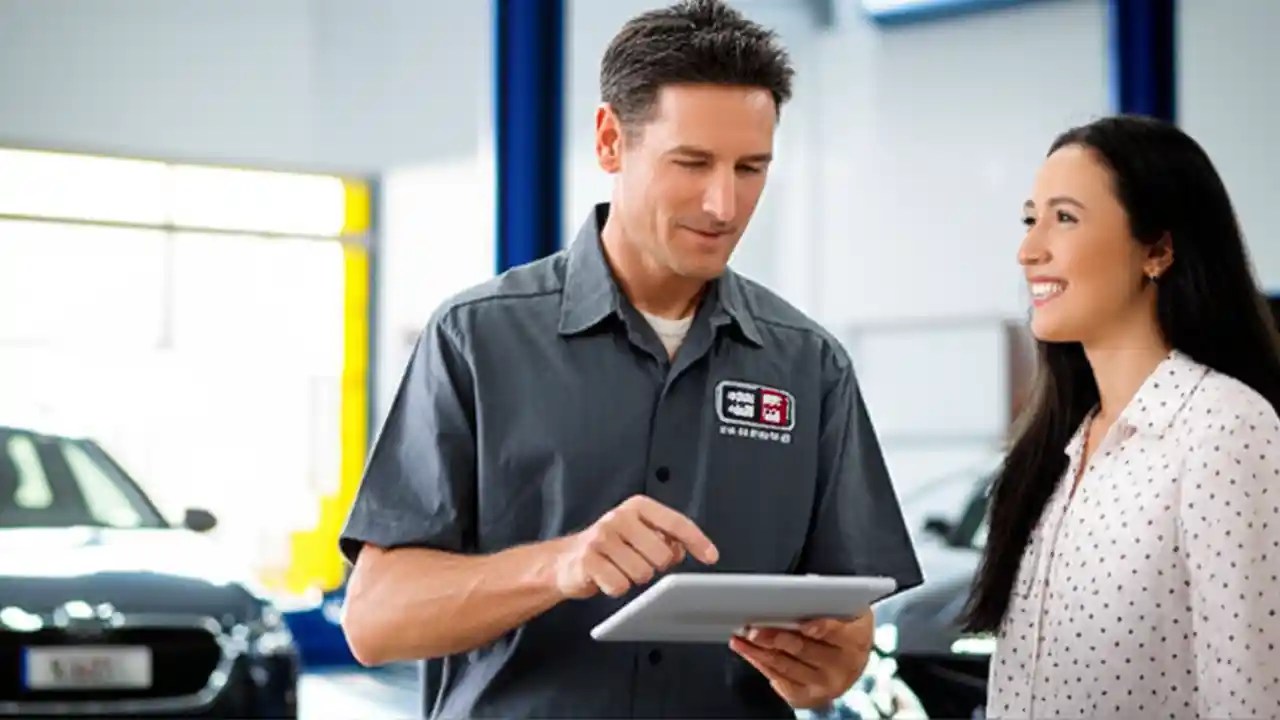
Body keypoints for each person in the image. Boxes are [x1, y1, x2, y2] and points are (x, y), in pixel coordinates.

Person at [337, 0, 923, 717]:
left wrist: (828, 662)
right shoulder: (476, 339)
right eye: (693, 163)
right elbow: (374, 620)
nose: (723, 204)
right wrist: (560, 564)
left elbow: (847, 627)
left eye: (750, 168)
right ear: (611, 141)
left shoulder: (810, 367)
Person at [962, 114, 1280, 719]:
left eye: (1065, 218)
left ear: (1157, 249)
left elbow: (1252, 702)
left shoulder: (1224, 429)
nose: (1029, 250)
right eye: (1031, 219)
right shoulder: (1058, 447)